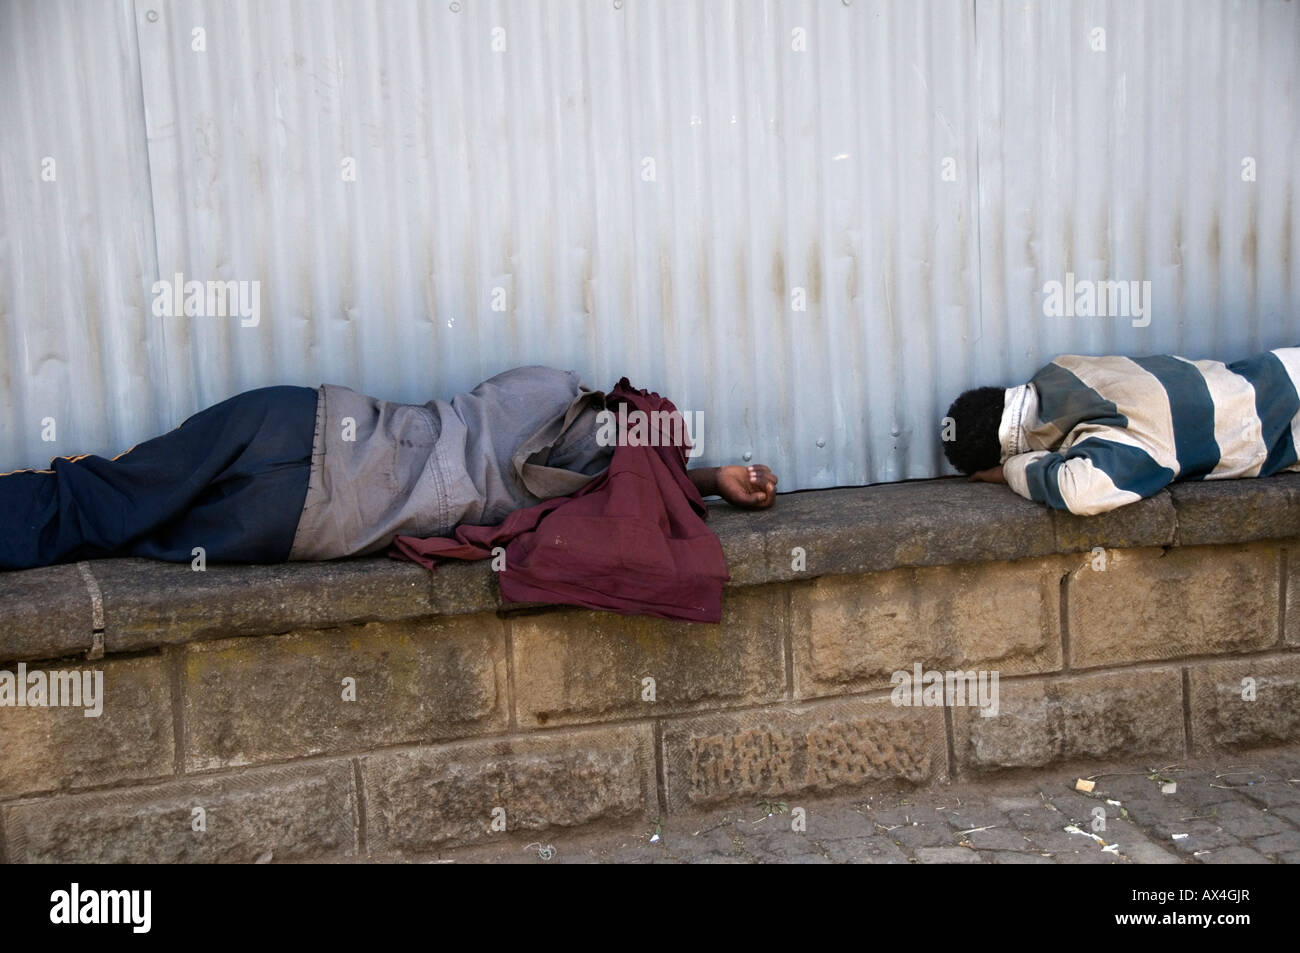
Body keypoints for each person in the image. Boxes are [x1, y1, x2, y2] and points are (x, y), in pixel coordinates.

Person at [0, 365, 777, 570]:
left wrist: (707, 477)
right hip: (309, 517)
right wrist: (708, 480)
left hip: (296, 422)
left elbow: (621, 466)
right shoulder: (563, 497)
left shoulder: (540, 391)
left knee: (101, 497)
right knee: (117, 526)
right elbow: (625, 482)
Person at [941, 347, 1300, 515]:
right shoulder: (1064, 370)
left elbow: (1080, 493)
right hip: (1281, 367)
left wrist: (1009, 472)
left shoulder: (1113, 435)